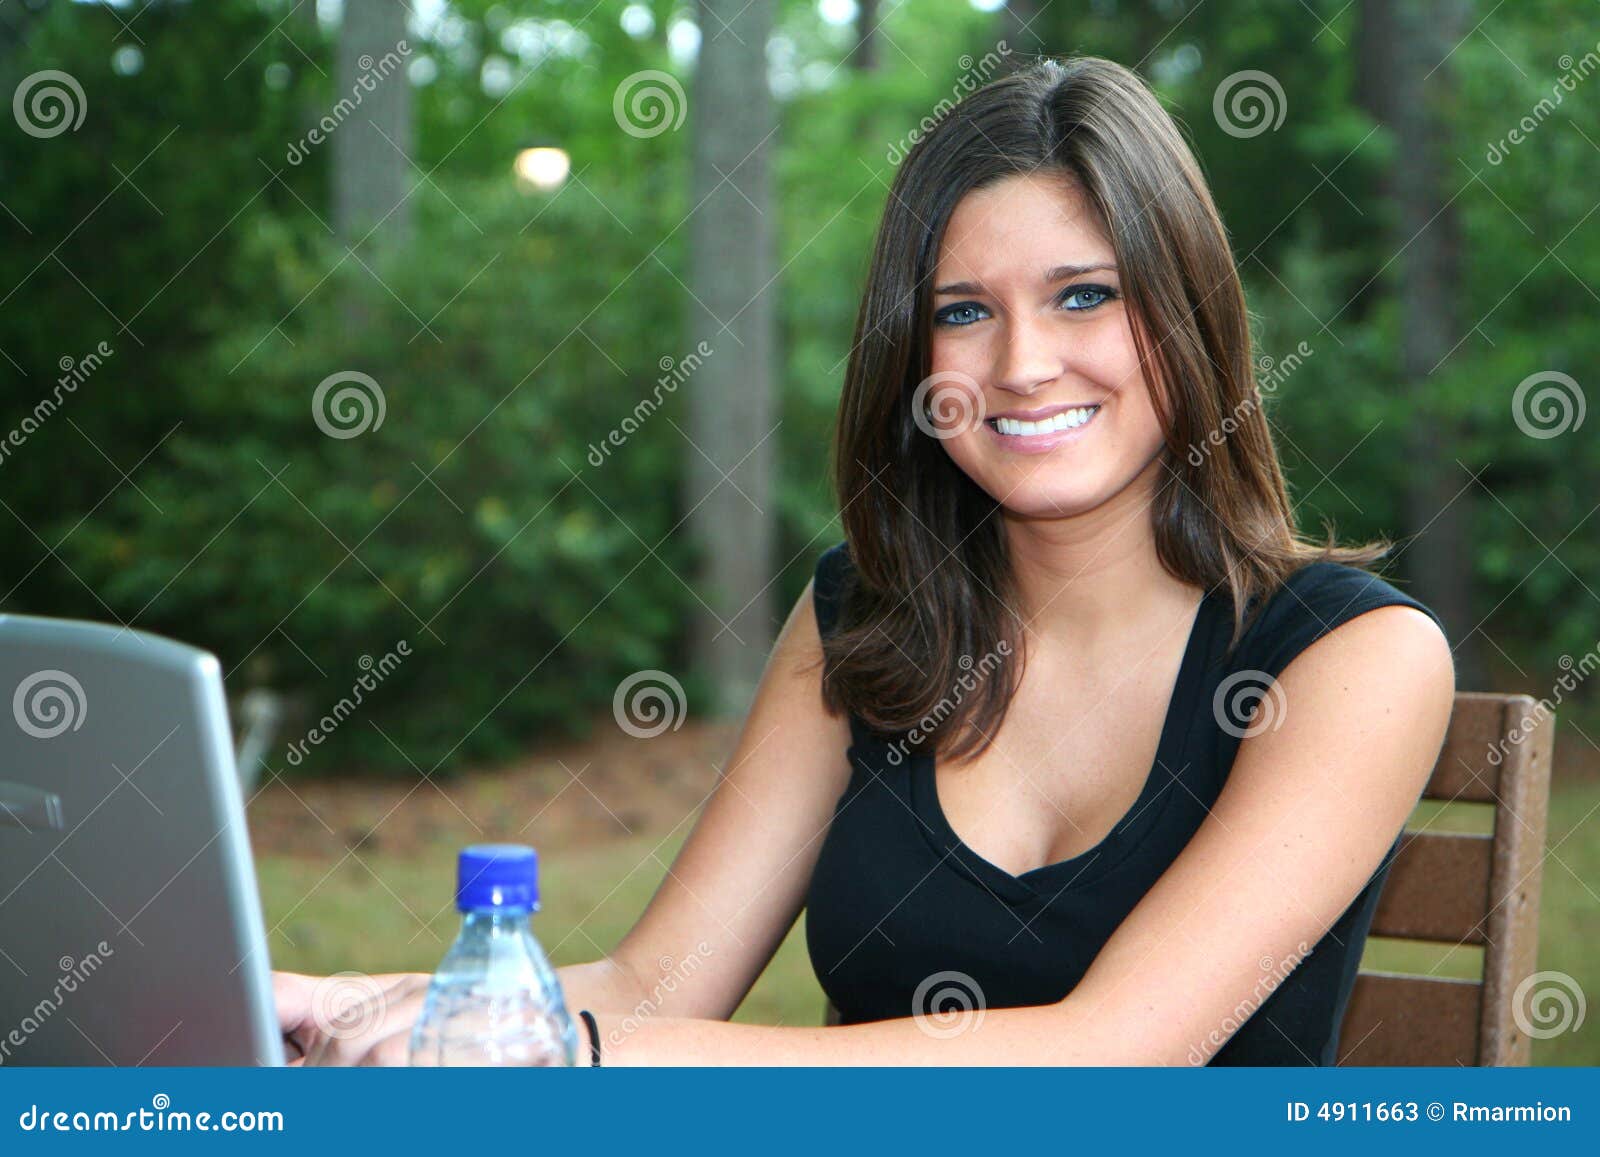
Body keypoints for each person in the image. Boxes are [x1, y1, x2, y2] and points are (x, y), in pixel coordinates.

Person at [274, 55, 1454, 1066]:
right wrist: (339, 1004)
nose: (1021, 364)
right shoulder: (868, 617)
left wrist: (581, 1058)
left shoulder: (1352, 656)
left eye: (1084, 295)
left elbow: (1105, 1052)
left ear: (1187, 312)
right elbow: (650, 984)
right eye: (962, 311)